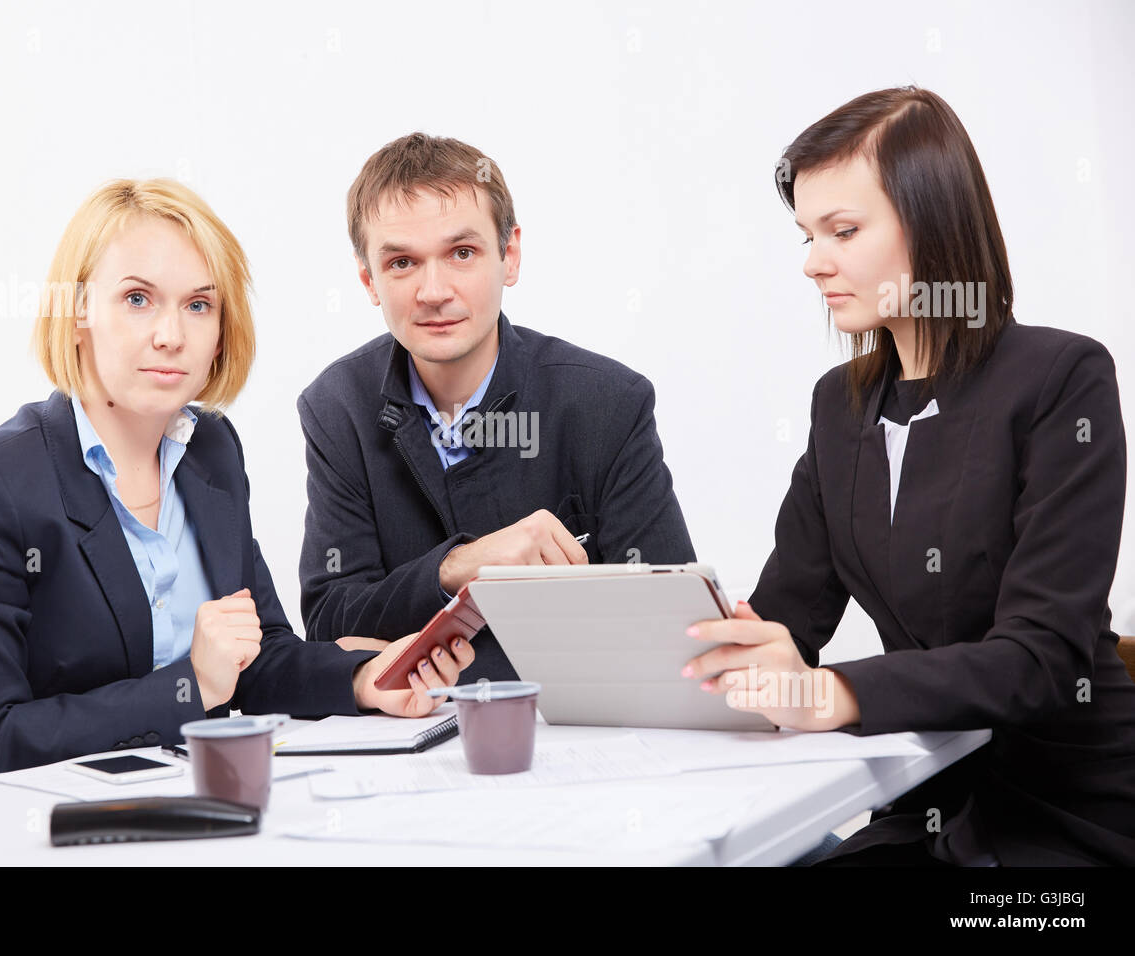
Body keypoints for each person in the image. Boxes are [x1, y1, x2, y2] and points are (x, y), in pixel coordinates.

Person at [0, 179, 472, 807]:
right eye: (138, 299)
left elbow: (257, 653)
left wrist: (363, 678)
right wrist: (190, 683)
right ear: (78, 309)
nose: (171, 335)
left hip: (152, 815)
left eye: (198, 305)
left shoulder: (211, 450)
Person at [681, 87, 1135, 866]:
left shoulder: (1062, 378)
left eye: (843, 231)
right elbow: (790, 620)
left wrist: (835, 692)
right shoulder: (840, 406)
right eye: (806, 234)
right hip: (927, 804)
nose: (813, 262)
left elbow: (1041, 656)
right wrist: (715, 656)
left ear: (932, 222)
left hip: (1068, 816)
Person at [297, 133, 696, 681]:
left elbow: (672, 625)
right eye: (402, 263)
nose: (433, 291)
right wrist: (461, 566)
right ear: (369, 280)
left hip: (576, 732)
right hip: (412, 733)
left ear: (509, 256)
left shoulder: (607, 403)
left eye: (462, 253)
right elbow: (330, 622)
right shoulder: (336, 406)